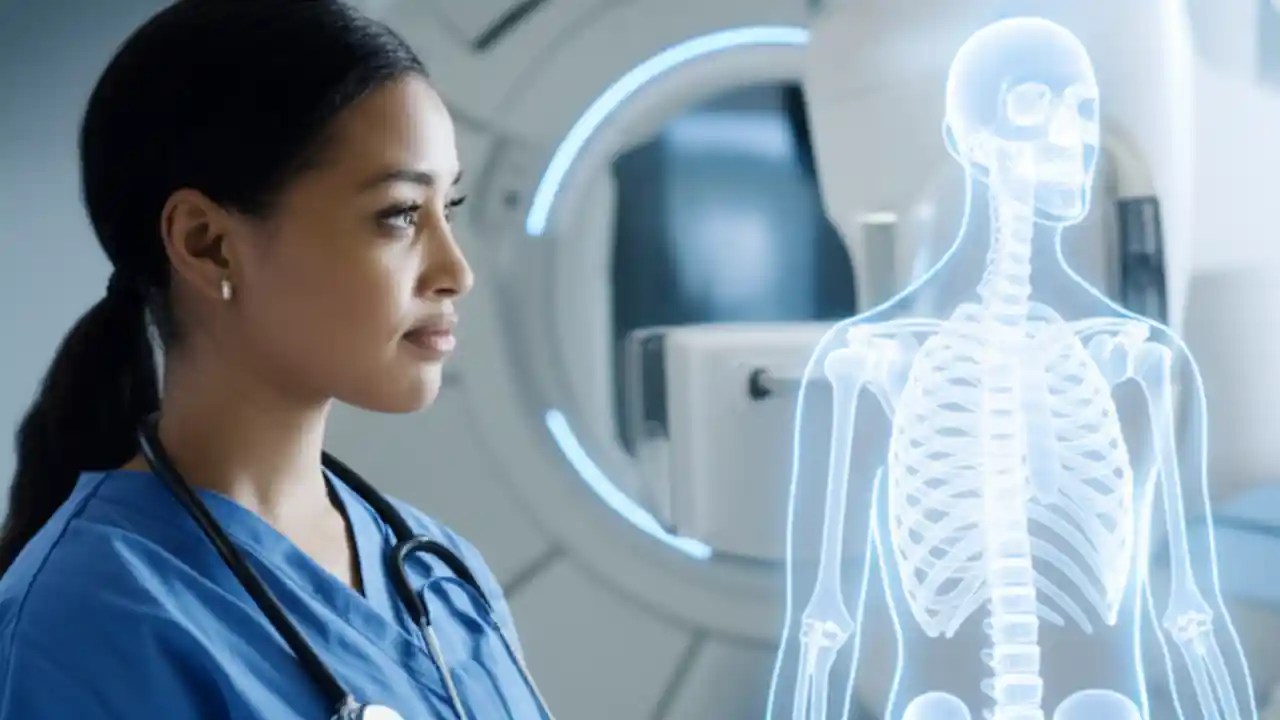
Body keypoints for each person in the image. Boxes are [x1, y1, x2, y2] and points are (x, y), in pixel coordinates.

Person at [0, 1, 548, 717]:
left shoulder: (443, 572)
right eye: (400, 215)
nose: (456, 269)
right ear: (208, 244)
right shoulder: (84, 623)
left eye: (452, 205)